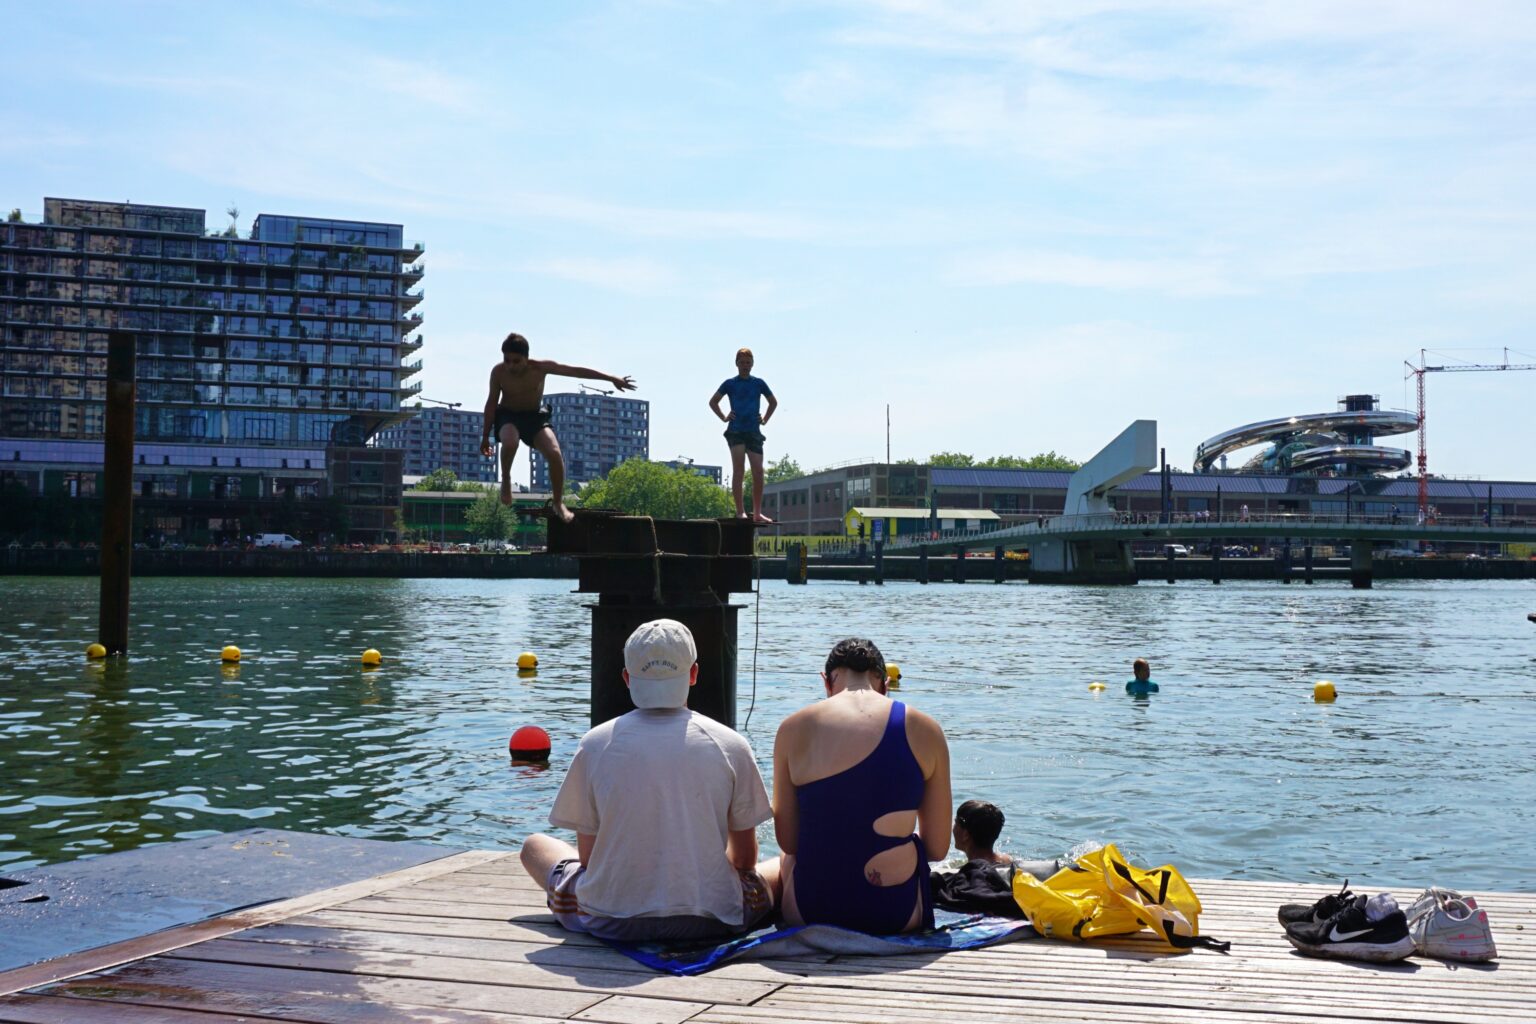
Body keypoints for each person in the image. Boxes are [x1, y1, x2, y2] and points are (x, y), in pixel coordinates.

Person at [519, 619, 775, 941]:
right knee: (778, 867)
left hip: (610, 918)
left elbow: (588, 859)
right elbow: (744, 861)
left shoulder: (595, 743)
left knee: (533, 846)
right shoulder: (731, 745)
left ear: (627, 678)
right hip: (712, 918)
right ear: (694, 674)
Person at [768, 637, 951, 934]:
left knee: (786, 858)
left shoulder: (792, 728)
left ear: (826, 682)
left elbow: (788, 841)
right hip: (896, 914)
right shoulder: (926, 728)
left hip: (810, 912)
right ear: (885, 685)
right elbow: (938, 847)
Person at [480, 332, 635, 521]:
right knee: (510, 443)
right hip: (508, 416)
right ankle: (506, 479)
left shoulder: (540, 368)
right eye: (507, 360)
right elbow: (490, 403)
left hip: (534, 417)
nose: (511, 366)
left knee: (554, 454)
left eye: (516, 361)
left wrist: (611, 378)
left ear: (526, 359)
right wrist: (485, 436)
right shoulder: (498, 372)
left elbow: (575, 371)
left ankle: (558, 502)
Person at [930, 800, 1062, 917]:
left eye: (956, 823)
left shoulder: (972, 875)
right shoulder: (1009, 862)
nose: (953, 828)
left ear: (965, 834)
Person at [709, 348, 777, 523]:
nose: (745, 366)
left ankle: (757, 512)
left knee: (758, 471)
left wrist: (765, 419)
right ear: (736, 364)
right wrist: (724, 417)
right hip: (736, 431)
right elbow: (713, 401)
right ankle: (740, 511)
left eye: (748, 362)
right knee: (739, 470)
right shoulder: (730, 383)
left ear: (752, 364)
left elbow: (773, 402)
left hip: (754, 431)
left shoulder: (758, 383)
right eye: (742, 362)